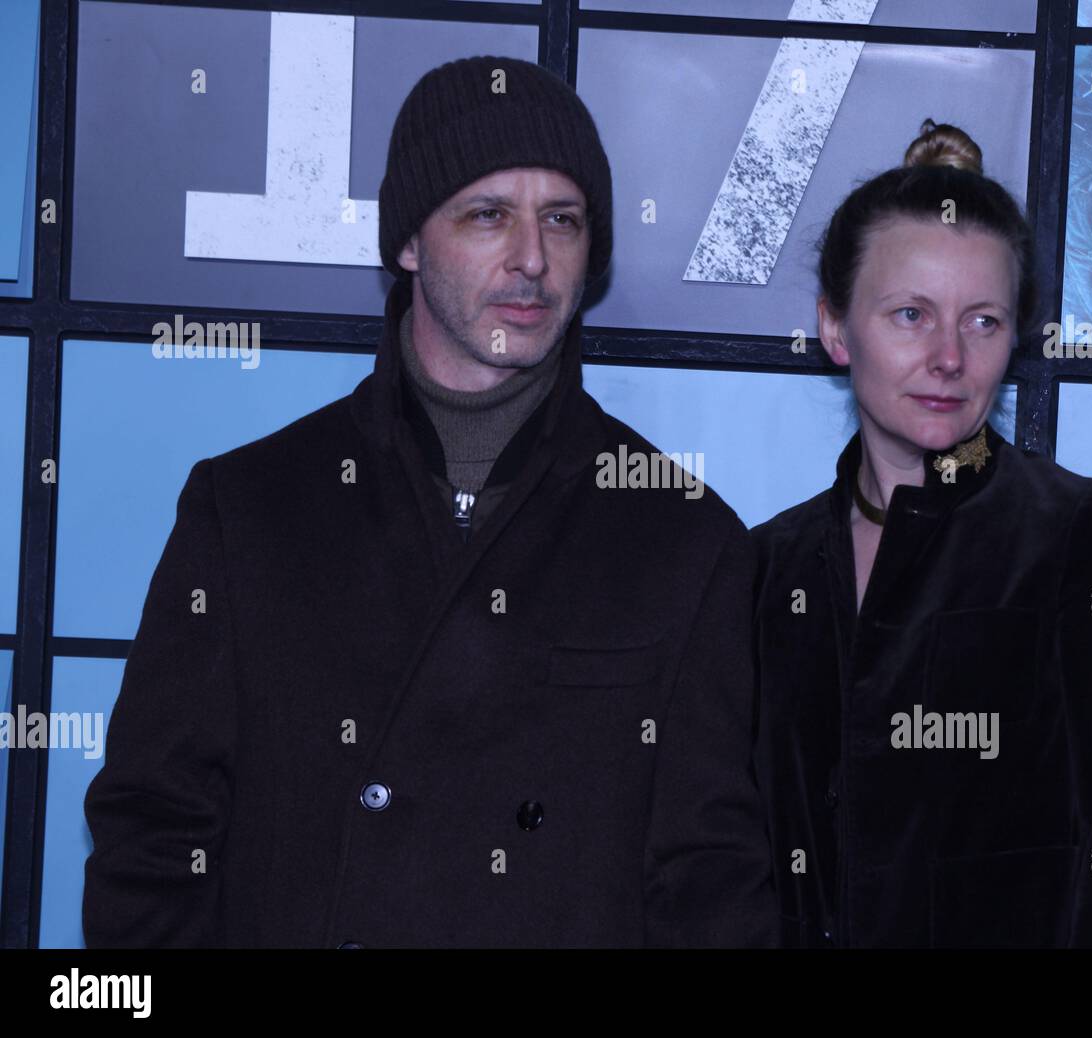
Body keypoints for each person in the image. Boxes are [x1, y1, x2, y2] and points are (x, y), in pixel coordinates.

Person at [83, 55, 778, 948]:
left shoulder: (681, 536)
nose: (532, 258)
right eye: (488, 214)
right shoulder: (253, 508)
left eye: (562, 220)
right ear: (408, 242)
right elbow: (155, 835)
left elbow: (712, 887)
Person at [751, 119, 1092, 948]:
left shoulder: (1078, 538)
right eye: (912, 314)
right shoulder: (768, 568)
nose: (950, 357)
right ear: (836, 328)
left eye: (984, 321)